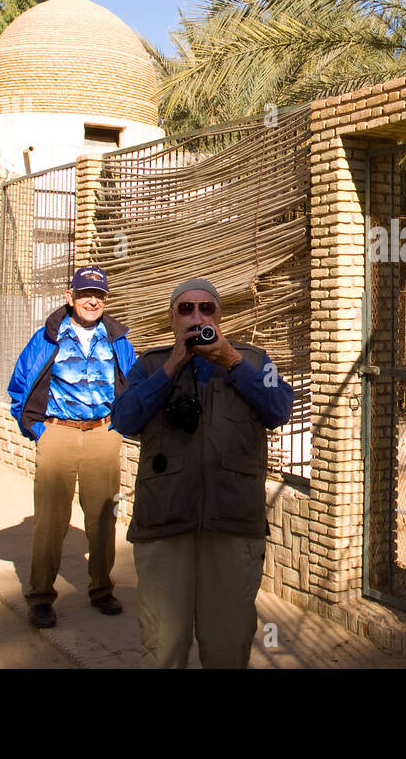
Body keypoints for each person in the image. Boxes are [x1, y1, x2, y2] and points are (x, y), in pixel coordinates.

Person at [111, 277, 293, 668]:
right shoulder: (150, 364)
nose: (197, 316)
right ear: (172, 318)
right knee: (163, 648)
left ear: (220, 316)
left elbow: (279, 407)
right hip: (164, 525)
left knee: (228, 647)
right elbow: (124, 418)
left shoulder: (254, 360)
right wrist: (173, 365)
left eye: (206, 308)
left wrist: (231, 360)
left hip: (232, 526)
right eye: (186, 309)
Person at [7, 266, 137, 629]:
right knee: (50, 521)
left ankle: (101, 588)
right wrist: (36, 428)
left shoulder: (117, 340)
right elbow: (20, 382)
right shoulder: (48, 337)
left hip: (103, 433)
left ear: (105, 299)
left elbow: (135, 381)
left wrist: (120, 424)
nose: (92, 301)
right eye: (84, 294)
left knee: (102, 519)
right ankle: (41, 597)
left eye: (98, 295)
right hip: (57, 433)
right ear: (70, 297)